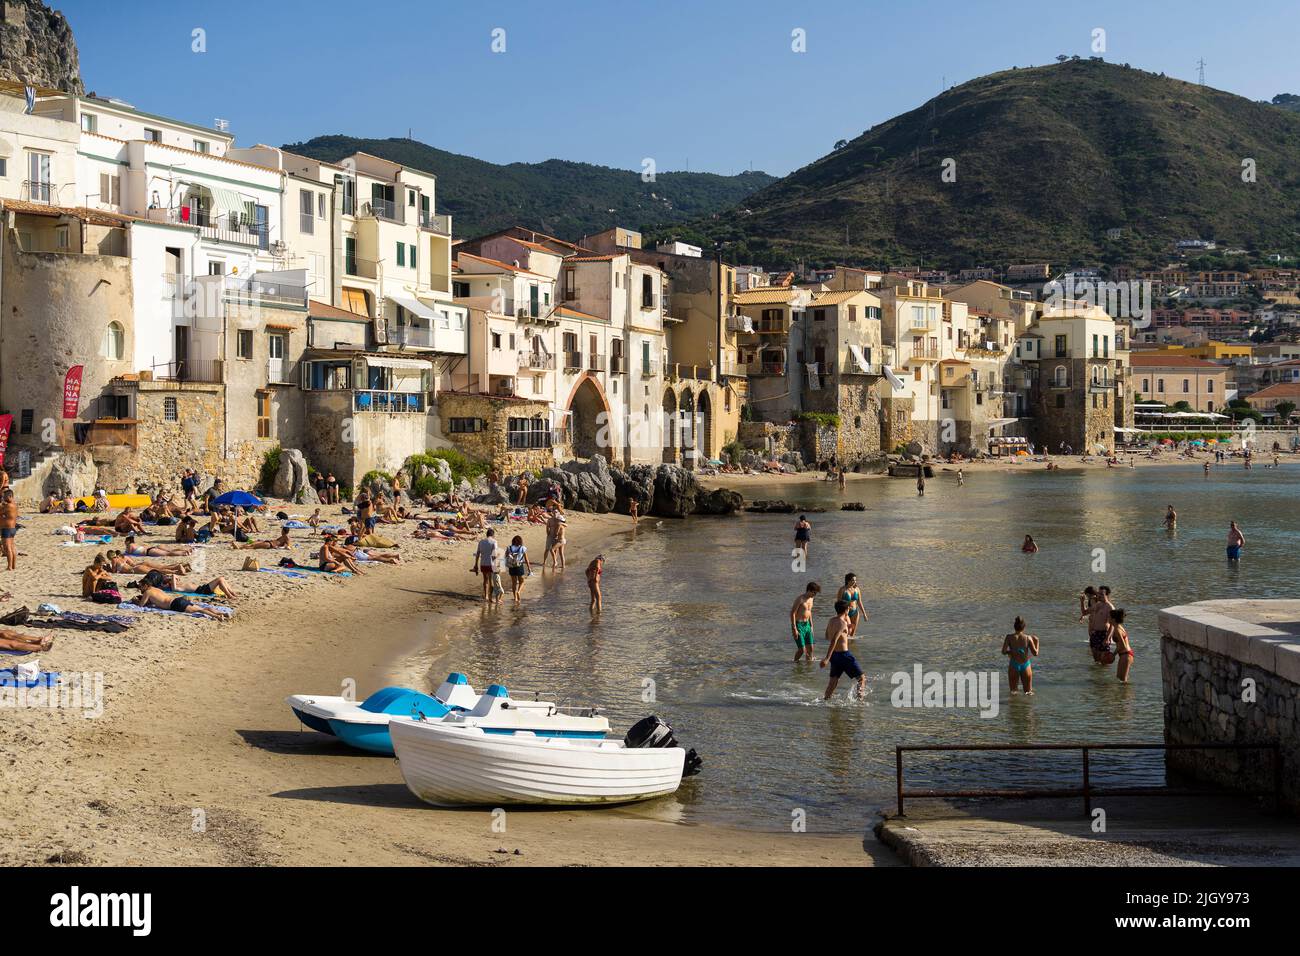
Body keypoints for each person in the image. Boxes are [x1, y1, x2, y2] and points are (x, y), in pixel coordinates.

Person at [820, 600, 865, 700]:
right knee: (861, 679)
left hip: (835, 656)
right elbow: (834, 640)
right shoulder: (843, 623)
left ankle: (826, 700)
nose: (849, 609)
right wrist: (826, 658)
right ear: (846, 610)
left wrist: (845, 631)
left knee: (833, 682)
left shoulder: (831, 620)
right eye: (848, 608)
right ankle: (860, 703)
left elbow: (827, 636)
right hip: (844, 655)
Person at [126, 585, 228, 621]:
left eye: (140, 587)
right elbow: (153, 603)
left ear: (145, 585)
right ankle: (221, 613)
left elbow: (141, 606)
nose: (140, 590)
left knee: (200, 610)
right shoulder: (155, 589)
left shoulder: (147, 592)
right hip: (178, 599)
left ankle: (218, 617)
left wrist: (135, 601)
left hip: (175, 604)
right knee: (200, 608)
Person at [1002, 616, 1039, 695]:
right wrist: (1037, 641)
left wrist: (1011, 652)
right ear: (1024, 627)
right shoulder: (1028, 638)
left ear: (1014, 626)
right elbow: (1035, 653)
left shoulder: (1009, 637)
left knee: (1013, 692)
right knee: (1028, 692)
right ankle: (1027, 706)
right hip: (1025, 665)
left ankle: (1014, 706)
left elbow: (1003, 651)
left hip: (1013, 664)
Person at [1083, 586, 1116, 663]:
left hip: (1103, 634)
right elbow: (1084, 612)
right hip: (1094, 634)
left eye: (1102, 594)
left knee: (1104, 660)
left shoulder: (1110, 607)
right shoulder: (1098, 604)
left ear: (1107, 595)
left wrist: (1107, 638)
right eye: (1099, 594)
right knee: (1096, 660)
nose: (1099, 596)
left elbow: (1113, 625)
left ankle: (1104, 673)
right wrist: (1082, 601)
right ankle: (1096, 675)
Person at [790, 582, 820, 662]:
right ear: (809, 590)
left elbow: (809, 612)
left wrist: (811, 626)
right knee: (802, 649)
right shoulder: (800, 599)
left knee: (811, 648)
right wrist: (794, 628)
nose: (815, 595)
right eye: (814, 593)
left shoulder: (812, 599)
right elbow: (792, 613)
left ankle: (808, 670)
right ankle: (795, 663)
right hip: (798, 625)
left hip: (807, 625)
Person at [836, 572, 867, 638]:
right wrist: (839, 615)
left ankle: (851, 647)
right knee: (847, 631)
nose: (854, 582)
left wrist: (864, 614)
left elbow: (859, 602)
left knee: (852, 634)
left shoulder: (857, 589)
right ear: (847, 580)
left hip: (855, 612)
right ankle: (843, 644)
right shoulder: (842, 590)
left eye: (855, 580)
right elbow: (838, 603)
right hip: (845, 613)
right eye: (853, 580)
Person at [1108, 608, 1134, 683]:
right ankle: (1121, 694)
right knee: (1119, 679)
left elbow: (1123, 645)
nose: (1108, 618)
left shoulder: (1117, 629)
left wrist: (1113, 654)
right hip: (1125, 654)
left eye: (1109, 617)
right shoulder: (1118, 627)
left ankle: (1126, 694)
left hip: (1126, 655)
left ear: (1113, 619)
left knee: (1123, 681)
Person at [471, 528, 497, 602]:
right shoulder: (494, 542)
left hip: (483, 563)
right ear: (493, 535)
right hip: (491, 563)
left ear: (487, 534)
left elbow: (478, 553)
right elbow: (495, 554)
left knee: (485, 580)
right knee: (491, 580)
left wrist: (475, 564)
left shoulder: (481, 542)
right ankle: (491, 598)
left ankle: (486, 596)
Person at [504, 534, 531, 604]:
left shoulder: (509, 547)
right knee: (522, 581)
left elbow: (506, 556)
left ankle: (515, 598)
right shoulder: (522, 548)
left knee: (514, 583)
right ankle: (518, 592)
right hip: (519, 566)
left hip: (512, 566)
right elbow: (526, 559)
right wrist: (529, 568)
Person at [124, 535, 192, 558]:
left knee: (168, 554)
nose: (125, 542)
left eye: (125, 541)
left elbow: (129, 553)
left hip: (149, 552)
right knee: (170, 551)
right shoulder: (136, 544)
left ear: (128, 541)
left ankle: (184, 553)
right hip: (151, 548)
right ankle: (184, 550)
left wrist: (126, 550)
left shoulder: (130, 545)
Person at [0, 489, 17, 571]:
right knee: (12, 547)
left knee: (7, 548)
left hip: (7, 528)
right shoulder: (14, 505)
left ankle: (9, 566)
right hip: (12, 528)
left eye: (5, 496)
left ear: (10, 496)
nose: (3, 498)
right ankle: (13, 565)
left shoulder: (8, 506)